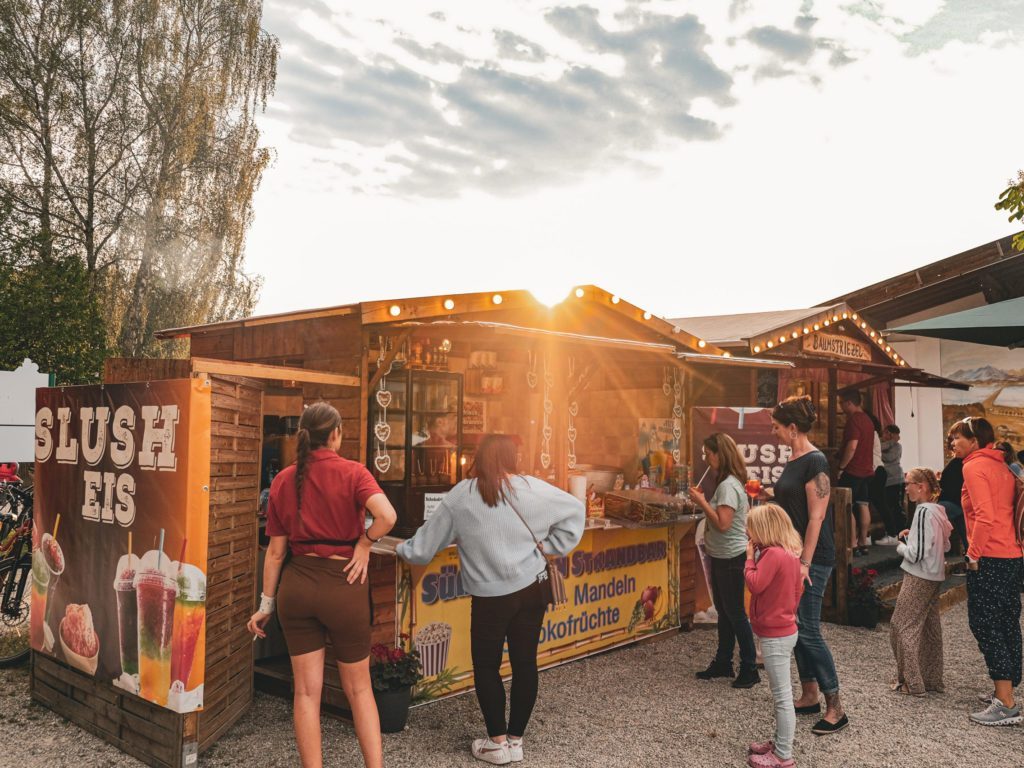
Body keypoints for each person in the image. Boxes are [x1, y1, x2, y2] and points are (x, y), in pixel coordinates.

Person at [396, 434, 585, 765]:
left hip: (491, 598)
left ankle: (497, 744)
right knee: (526, 662)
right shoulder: (534, 488)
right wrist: (551, 547)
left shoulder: (461, 496)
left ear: (478, 458)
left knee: (487, 666)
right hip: (532, 587)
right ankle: (516, 741)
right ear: (513, 457)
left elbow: (423, 547)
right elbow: (576, 510)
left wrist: (398, 548)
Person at [248, 402, 398, 768]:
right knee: (359, 689)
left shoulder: (284, 479)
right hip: (343, 584)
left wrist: (265, 606)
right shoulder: (354, 473)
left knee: (305, 693)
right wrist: (364, 543)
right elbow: (388, 516)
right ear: (335, 434)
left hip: (297, 588)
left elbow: (275, 553)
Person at [770, 395, 848, 735]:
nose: (773, 433)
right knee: (796, 625)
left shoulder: (816, 462)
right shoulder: (794, 458)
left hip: (812, 557)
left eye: (776, 427)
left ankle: (836, 708)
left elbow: (817, 518)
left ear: (792, 428)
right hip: (793, 553)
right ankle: (809, 693)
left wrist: (805, 562)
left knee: (809, 628)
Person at [949, 417, 1023, 726]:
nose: (952, 442)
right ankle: (1006, 689)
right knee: (1006, 618)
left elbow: (985, 516)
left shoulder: (973, 466)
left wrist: (972, 555)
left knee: (984, 622)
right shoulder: (1003, 463)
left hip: (990, 554)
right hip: (1012, 553)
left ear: (974, 441)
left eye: (956, 437)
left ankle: (1005, 702)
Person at [690, 433, 759, 688]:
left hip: (731, 557)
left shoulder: (728, 486)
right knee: (725, 612)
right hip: (722, 555)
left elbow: (722, 523)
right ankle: (723, 661)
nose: (706, 458)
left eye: (708, 453)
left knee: (735, 613)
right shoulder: (728, 483)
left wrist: (702, 502)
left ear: (720, 454)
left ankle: (749, 667)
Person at [744, 504, 804, 768]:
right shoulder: (789, 553)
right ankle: (779, 742)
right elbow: (796, 591)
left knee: (782, 696)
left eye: (751, 527)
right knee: (782, 693)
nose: (748, 532)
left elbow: (754, 584)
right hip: (785, 628)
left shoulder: (771, 555)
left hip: (775, 634)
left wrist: (748, 558)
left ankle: (783, 755)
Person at [889, 468, 952, 696]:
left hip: (920, 575)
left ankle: (912, 683)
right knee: (929, 629)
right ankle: (932, 680)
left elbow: (915, 554)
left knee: (901, 625)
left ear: (921, 486)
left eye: (908, 484)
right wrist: (912, 536)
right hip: (934, 576)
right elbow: (945, 546)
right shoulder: (938, 511)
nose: (906, 489)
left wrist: (899, 544)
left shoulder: (923, 511)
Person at [836, 390, 875, 556]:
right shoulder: (868, 420)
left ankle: (852, 544)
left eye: (841, 403)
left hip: (853, 470)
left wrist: (841, 467)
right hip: (867, 470)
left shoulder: (854, 420)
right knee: (863, 505)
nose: (841, 407)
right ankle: (863, 542)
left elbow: (852, 446)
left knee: (847, 507)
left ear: (849, 403)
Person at [937, 439, 969, 556]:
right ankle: (972, 561)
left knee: (931, 515)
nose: (954, 448)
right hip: (959, 503)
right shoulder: (962, 462)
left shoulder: (959, 462)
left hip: (953, 502)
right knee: (965, 534)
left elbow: (944, 483)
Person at [878, 425, 904, 544]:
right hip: (886, 481)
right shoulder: (886, 444)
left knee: (896, 508)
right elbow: (878, 448)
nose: (882, 436)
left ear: (890, 434)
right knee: (888, 506)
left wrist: (877, 453)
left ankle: (899, 534)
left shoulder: (897, 446)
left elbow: (889, 458)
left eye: (884, 433)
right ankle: (892, 533)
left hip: (896, 480)